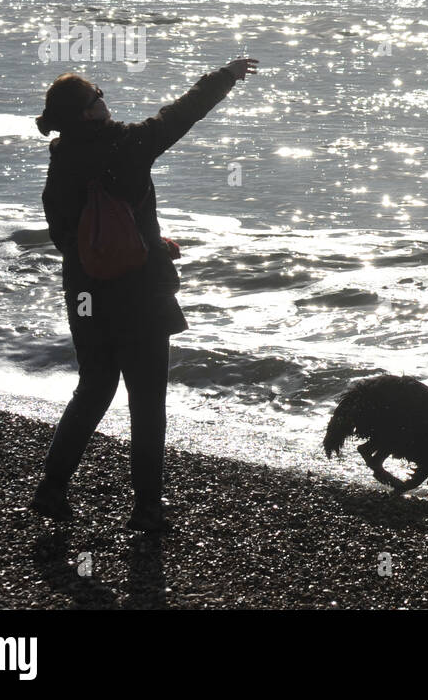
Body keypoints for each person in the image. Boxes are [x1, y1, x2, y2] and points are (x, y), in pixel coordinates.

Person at [31, 58, 258, 532]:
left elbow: (64, 237)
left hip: (85, 296)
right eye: (98, 96)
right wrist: (224, 74)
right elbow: (181, 113)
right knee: (147, 400)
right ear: (90, 112)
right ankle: (147, 508)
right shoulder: (129, 145)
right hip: (139, 295)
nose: (104, 101)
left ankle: (51, 489)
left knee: (93, 389)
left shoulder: (61, 162)